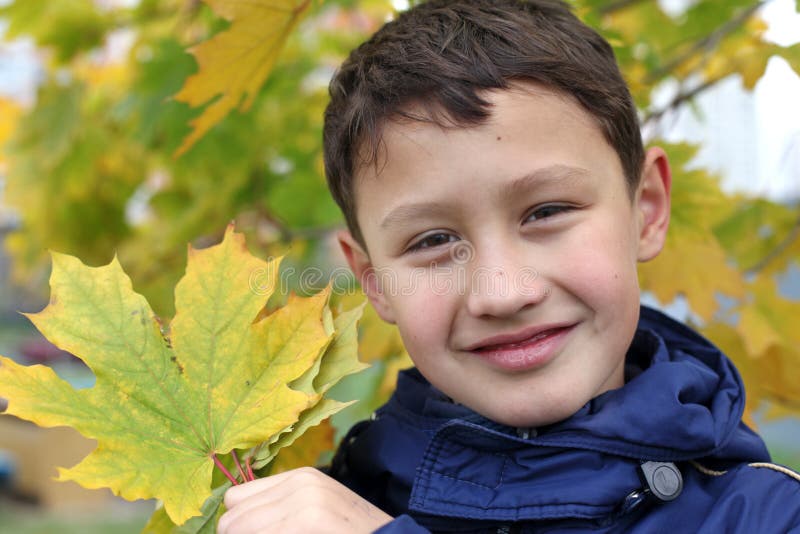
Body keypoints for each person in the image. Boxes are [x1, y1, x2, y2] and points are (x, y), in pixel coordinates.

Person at [217, 0, 800, 532]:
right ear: (375, 282)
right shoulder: (313, 515)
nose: (502, 292)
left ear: (645, 208)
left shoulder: (767, 517)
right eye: (432, 240)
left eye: (546, 211)